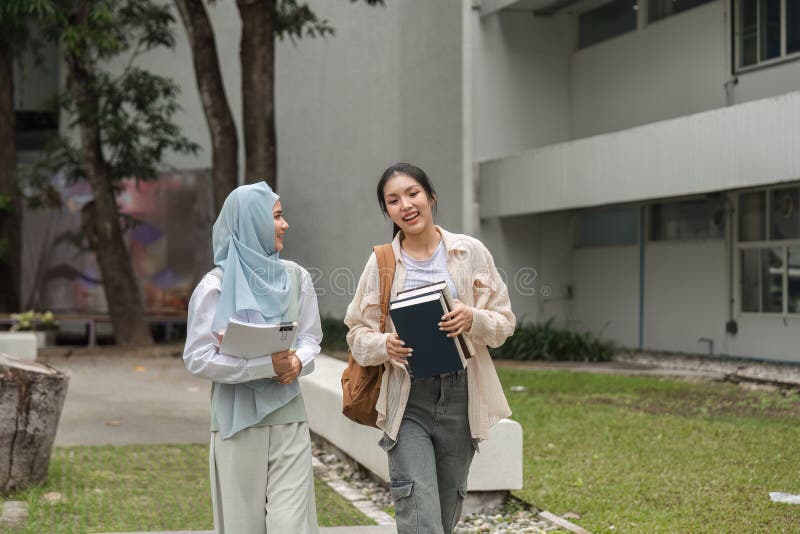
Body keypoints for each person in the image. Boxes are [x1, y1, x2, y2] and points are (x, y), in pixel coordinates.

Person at [344, 163, 516, 534]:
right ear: (387, 211)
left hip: (462, 396)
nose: (405, 205)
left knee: (445, 513)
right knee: (419, 516)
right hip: (408, 400)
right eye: (393, 200)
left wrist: (473, 318)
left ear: (430, 197)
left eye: (413, 194)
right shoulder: (381, 263)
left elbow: (504, 322)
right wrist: (385, 345)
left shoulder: (470, 252)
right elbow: (356, 333)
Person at [183, 181, 321, 534]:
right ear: (252, 223)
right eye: (276, 216)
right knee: (243, 526)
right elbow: (197, 357)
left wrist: (297, 362)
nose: (285, 224)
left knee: (290, 526)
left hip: (289, 416)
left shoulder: (296, 277)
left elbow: (310, 338)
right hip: (235, 421)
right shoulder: (213, 286)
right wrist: (263, 366)